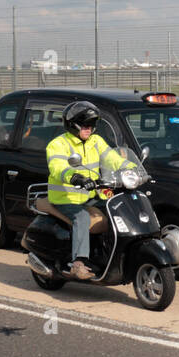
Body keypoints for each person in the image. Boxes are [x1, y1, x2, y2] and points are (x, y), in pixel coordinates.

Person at [45, 101, 132, 279]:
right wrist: (74, 177)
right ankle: (79, 263)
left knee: (118, 208)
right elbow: (57, 167)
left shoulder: (96, 141)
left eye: (92, 125)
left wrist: (131, 169)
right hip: (65, 198)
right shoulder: (58, 145)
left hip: (89, 196)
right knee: (82, 217)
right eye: (85, 125)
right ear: (72, 125)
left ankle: (109, 253)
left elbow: (112, 158)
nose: (89, 129)